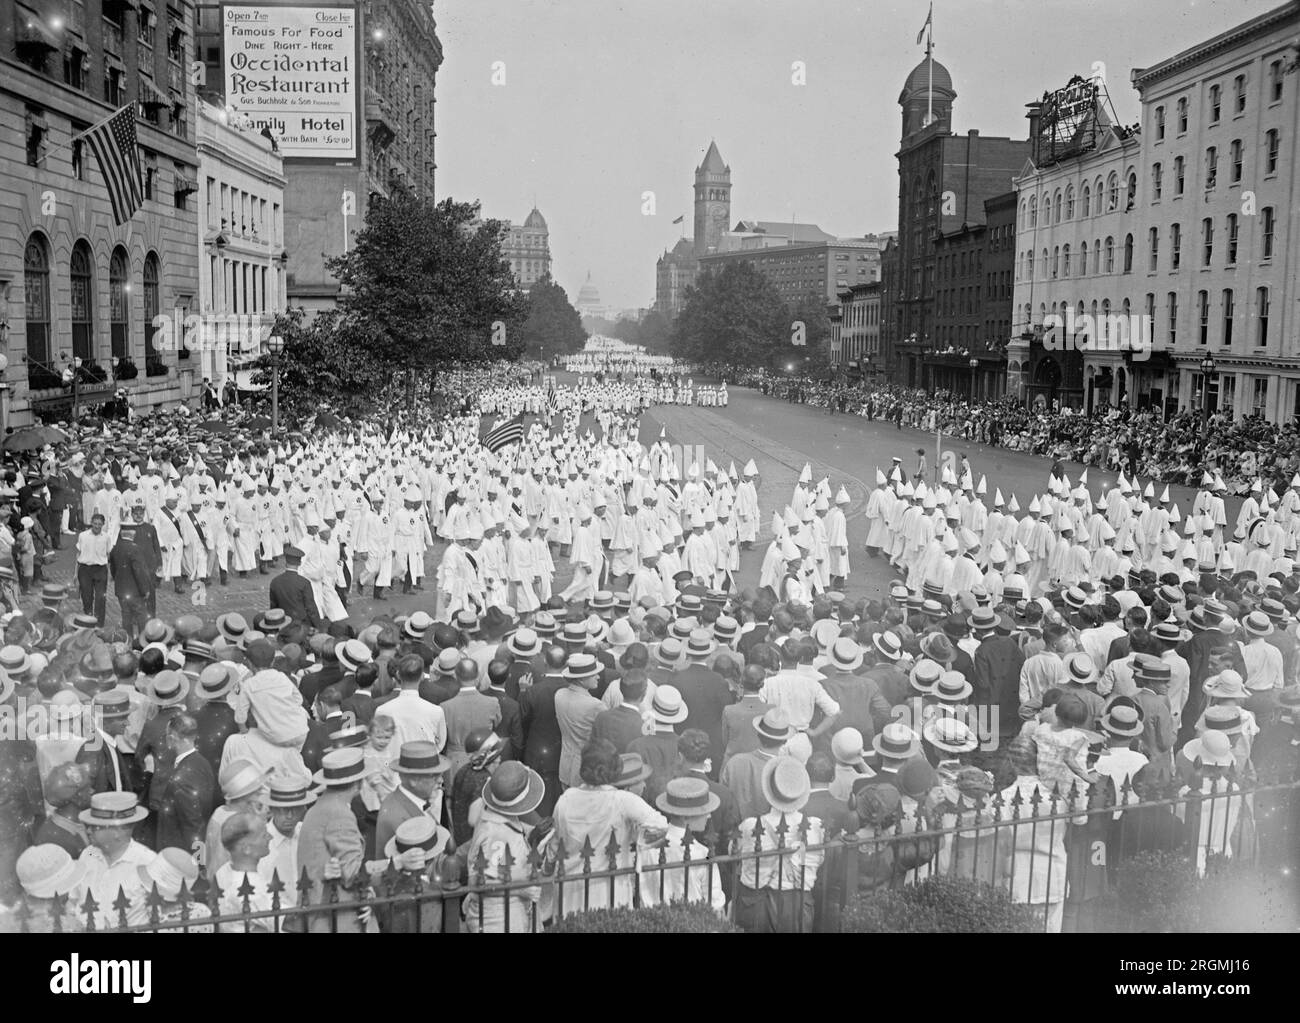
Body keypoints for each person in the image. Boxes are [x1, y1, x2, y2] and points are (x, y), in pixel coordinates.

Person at [546, 740, 668, 915]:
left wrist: (546, 869)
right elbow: (661, 826)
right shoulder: (622, 800)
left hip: (570, 890)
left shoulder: (566, 798)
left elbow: (556, 844)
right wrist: (636, 838)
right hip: (609, 890)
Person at [732, 756, 825, 933]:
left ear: (770, 791)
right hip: (797, 905)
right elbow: (819, 861)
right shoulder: (815, 827)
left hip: (756, 904)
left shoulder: (750, 826)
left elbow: (734, 854)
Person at [463, 762, 547, 933]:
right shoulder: (497, 835)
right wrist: (523, 888)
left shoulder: (498, 816)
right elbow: (481, 882)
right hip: (500, 919)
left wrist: (532, 836)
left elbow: (503, 862)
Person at [74, 513, 111, 626]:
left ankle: (99, 623)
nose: (97, 526)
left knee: (100, 597)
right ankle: (88, 619)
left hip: (100, 569)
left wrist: (107, 570)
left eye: (99, 524)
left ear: (103, 525)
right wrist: (75, 573)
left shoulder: (106, 537)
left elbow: (108, 554)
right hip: (85, 569)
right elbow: (78, 554)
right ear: (91, 523)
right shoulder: (83, 536)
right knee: (86, 596)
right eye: (95, 523)